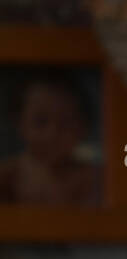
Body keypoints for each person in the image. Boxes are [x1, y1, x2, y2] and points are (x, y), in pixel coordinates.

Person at [0, 72, 101, 205]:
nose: (52, 133)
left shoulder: (97, 180)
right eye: (40, 122)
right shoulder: (6, 177)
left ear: (83, 128)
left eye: (66, 122)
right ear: (19, 124)